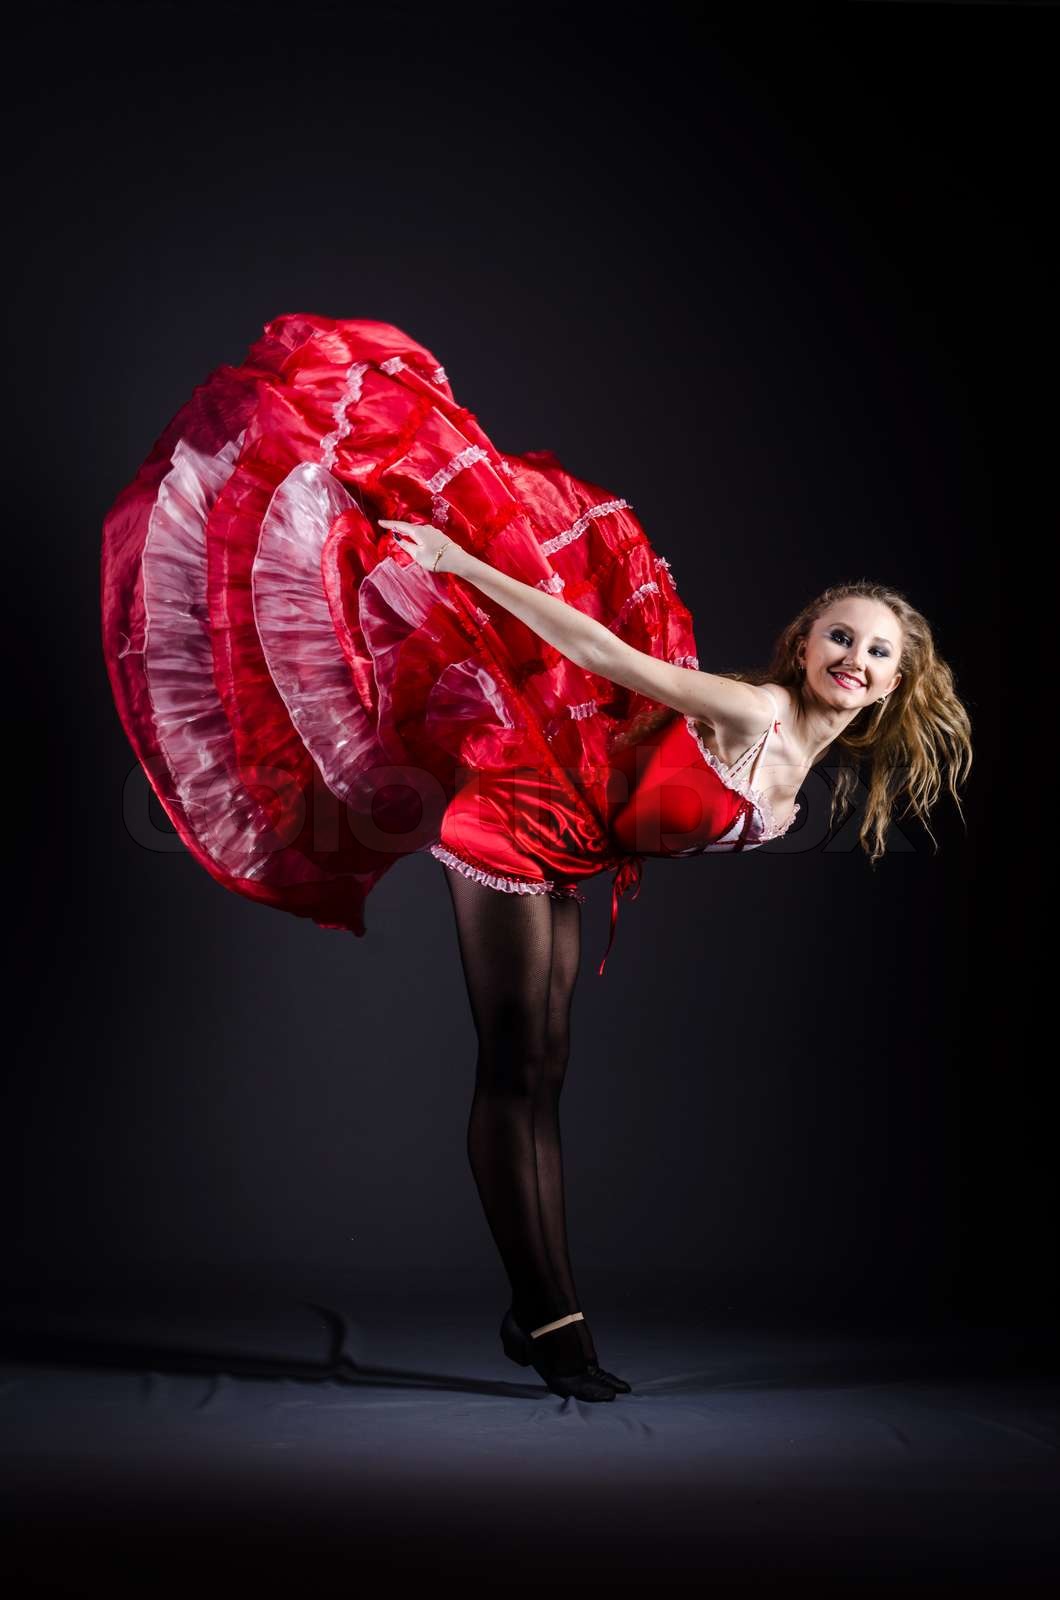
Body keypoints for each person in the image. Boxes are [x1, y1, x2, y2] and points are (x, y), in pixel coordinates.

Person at [101, 315, 973, 1403]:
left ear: (895, 682)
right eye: (839, 636)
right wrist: (459, 562)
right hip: (516, 820)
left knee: (545, 1071)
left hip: (569, 843)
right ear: (802, 646)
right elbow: (598, 649)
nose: (854, 657)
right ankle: (554, 1326)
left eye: (877, 650)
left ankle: (547, 1315)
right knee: (517, 1066)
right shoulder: (751, 711)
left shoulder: (802, 783)